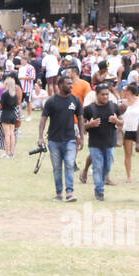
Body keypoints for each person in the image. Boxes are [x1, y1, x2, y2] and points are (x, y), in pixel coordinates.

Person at [39, 73, 83, 201]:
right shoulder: (51, 101)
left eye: (71, 83)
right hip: (54, 140)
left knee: (69, 164)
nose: (71, 86)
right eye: (68, 84)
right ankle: (59, 193)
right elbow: (43, 119)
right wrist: (40, 137)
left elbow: (80, 119)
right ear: (60, 85)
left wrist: (81, 136)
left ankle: (69, 193)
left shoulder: (75, 100)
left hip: (70, 139)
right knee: (57, 168)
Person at [81, 82, 122, 200]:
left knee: (108, 166)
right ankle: (99, 191)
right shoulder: (90, 109)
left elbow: (121, 121)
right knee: (98, 166)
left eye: (107, 94)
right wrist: (90, 124)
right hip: (95, 143)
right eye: (103, 94)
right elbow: (82, 126)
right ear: (97, 95)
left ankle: (101, 183)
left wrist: (116, 121)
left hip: (109, 142)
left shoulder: (113, 107)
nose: (105, 97)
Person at [121, 82, 139, 181]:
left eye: (125, 90)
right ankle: (128, 176)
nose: (123, 92)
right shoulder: (122, 103)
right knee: (128, 153)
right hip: (128, 130)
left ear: (129, 91)